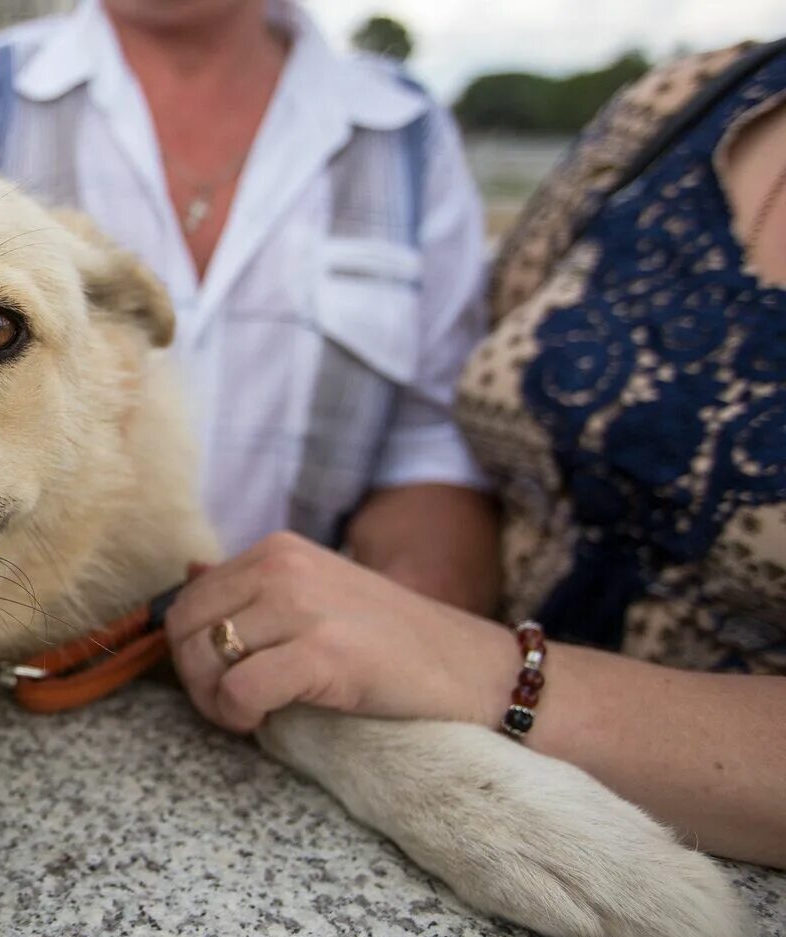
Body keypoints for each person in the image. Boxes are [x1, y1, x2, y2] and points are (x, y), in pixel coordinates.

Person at [165, 42, 786, 869]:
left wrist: (468, 662)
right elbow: (458, 418)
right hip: (439, 729)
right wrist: (379, 639)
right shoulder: (678, 105)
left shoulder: (406, 125)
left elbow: (426, 450)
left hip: (596, 789)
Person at [0, 0, 501, 613]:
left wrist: (386, 640)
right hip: (23, 662)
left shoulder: (403, 136)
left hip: (300, 676)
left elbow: (429, 450)